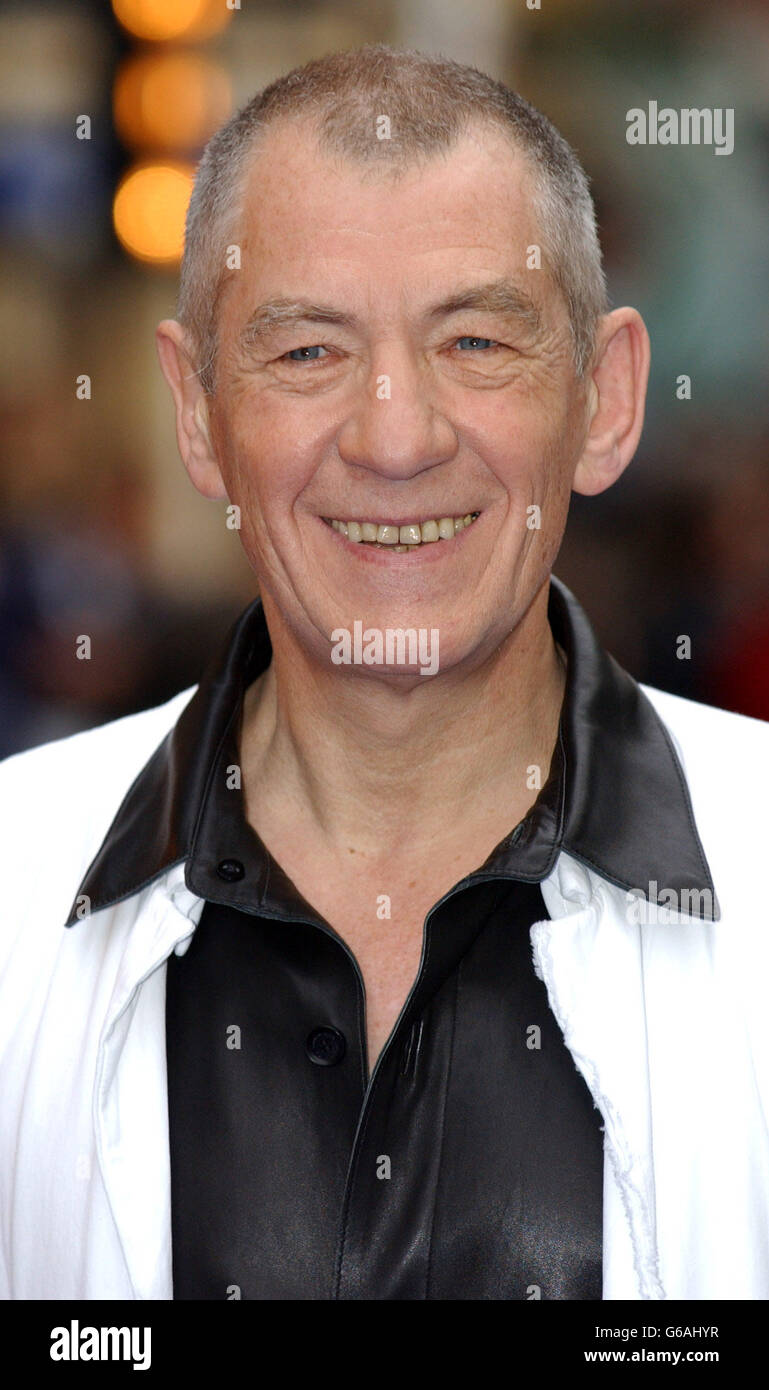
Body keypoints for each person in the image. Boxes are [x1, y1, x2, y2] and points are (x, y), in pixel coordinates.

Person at [1, 46, 767, 1302]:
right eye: (306, 352)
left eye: (474, 340)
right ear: (196, 412)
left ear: (606, 399)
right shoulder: (12, 884)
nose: (395, 437)